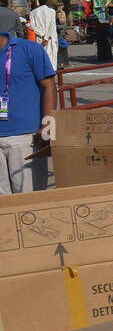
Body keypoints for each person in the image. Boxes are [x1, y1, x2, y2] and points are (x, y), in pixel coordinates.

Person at [0, 10, 55, 194]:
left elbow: (49, 86)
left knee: (29, 201)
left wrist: (48, 127)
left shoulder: (29, 49)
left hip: (25, 137)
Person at [28, 0, 58, 71]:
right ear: (47, 1)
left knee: (41, 56)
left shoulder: (33, 12)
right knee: (51, 57)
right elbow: (52, 26)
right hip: (50, 37)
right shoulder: (52, 11)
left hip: (39, 37)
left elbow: (32, 25)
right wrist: (46, 37)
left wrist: (41, 34)